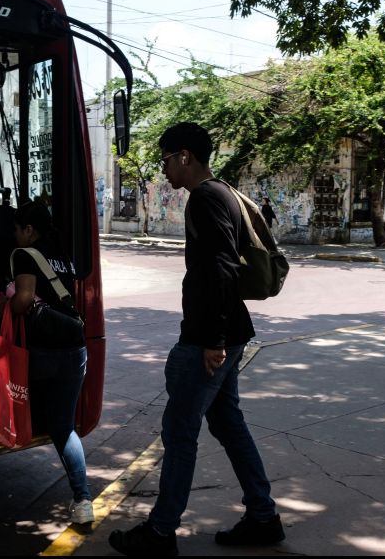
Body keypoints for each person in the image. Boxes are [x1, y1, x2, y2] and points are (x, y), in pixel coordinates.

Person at [109, 123, 283, 556]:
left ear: (185, 156)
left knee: (180, 430)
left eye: (165, 159)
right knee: (227, 422)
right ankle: (263, 517)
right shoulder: (222, 192)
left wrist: (213, 340)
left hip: (210, 336)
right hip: (228, 329)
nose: (163, 169)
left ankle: (160, 533)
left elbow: (222, 268)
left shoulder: (206, 197)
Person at [0, 200, 93, 526]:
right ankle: (83, 501)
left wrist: (0, 306)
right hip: (75, 348)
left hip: (44, 352)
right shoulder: (61, 253)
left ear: (28, 229)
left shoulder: (24, 254)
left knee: (7, 377)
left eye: (16, 228)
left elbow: (24, 300)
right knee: (64, 429)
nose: (14, 234)